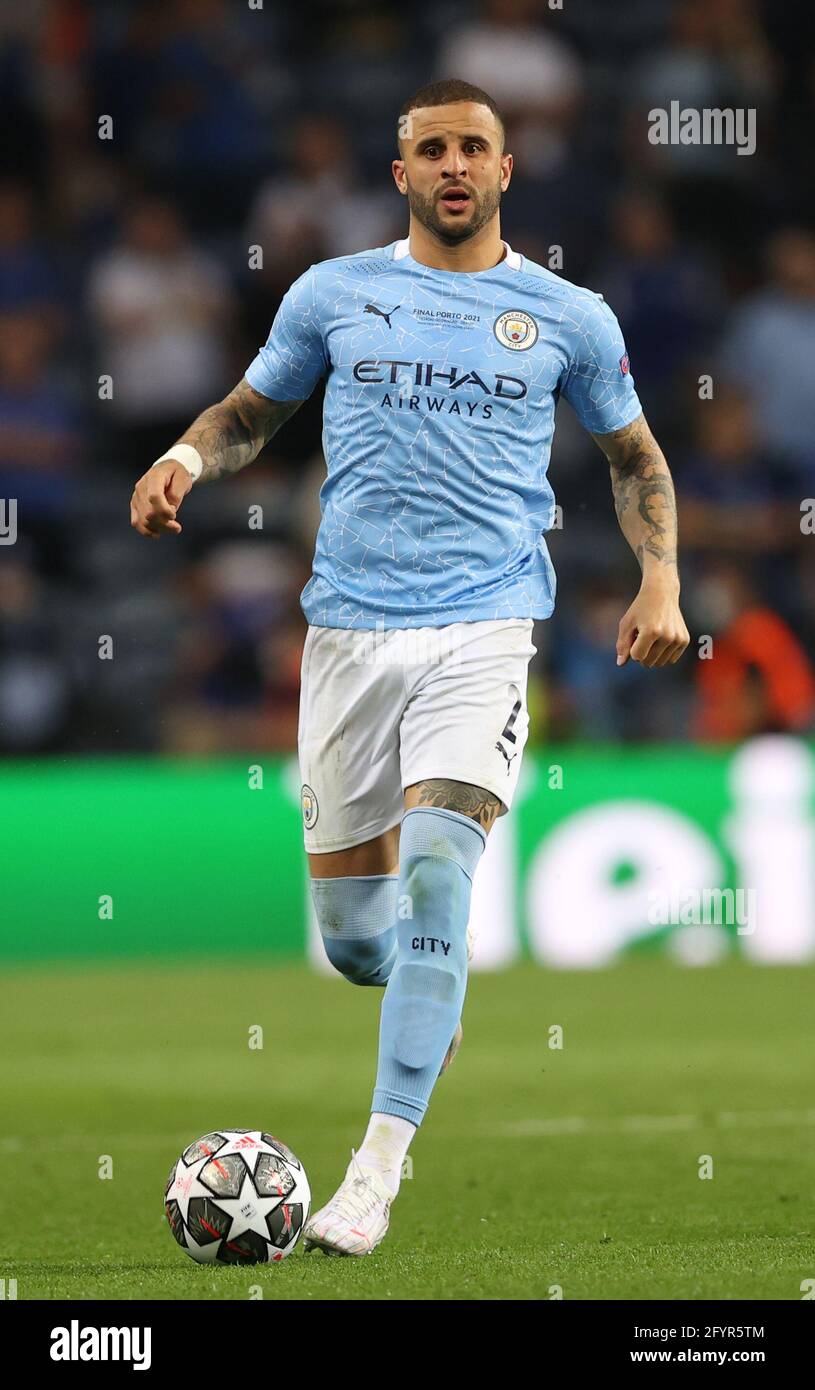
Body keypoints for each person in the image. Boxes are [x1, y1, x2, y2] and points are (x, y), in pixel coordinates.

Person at [130, 79, 689, 1256]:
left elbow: (632, 455)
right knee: (356, 945)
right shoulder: (334, 293)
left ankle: (372, 1172)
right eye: (429, 147)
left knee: (439, 872)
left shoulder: (568, 315)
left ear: (503, 170)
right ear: (399, 175)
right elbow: (250, 410)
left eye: (471, 148)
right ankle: (424, 1004)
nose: (450, 164)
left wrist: (660, 582)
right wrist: (186, 454)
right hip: (345, 633)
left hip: (483, 631)